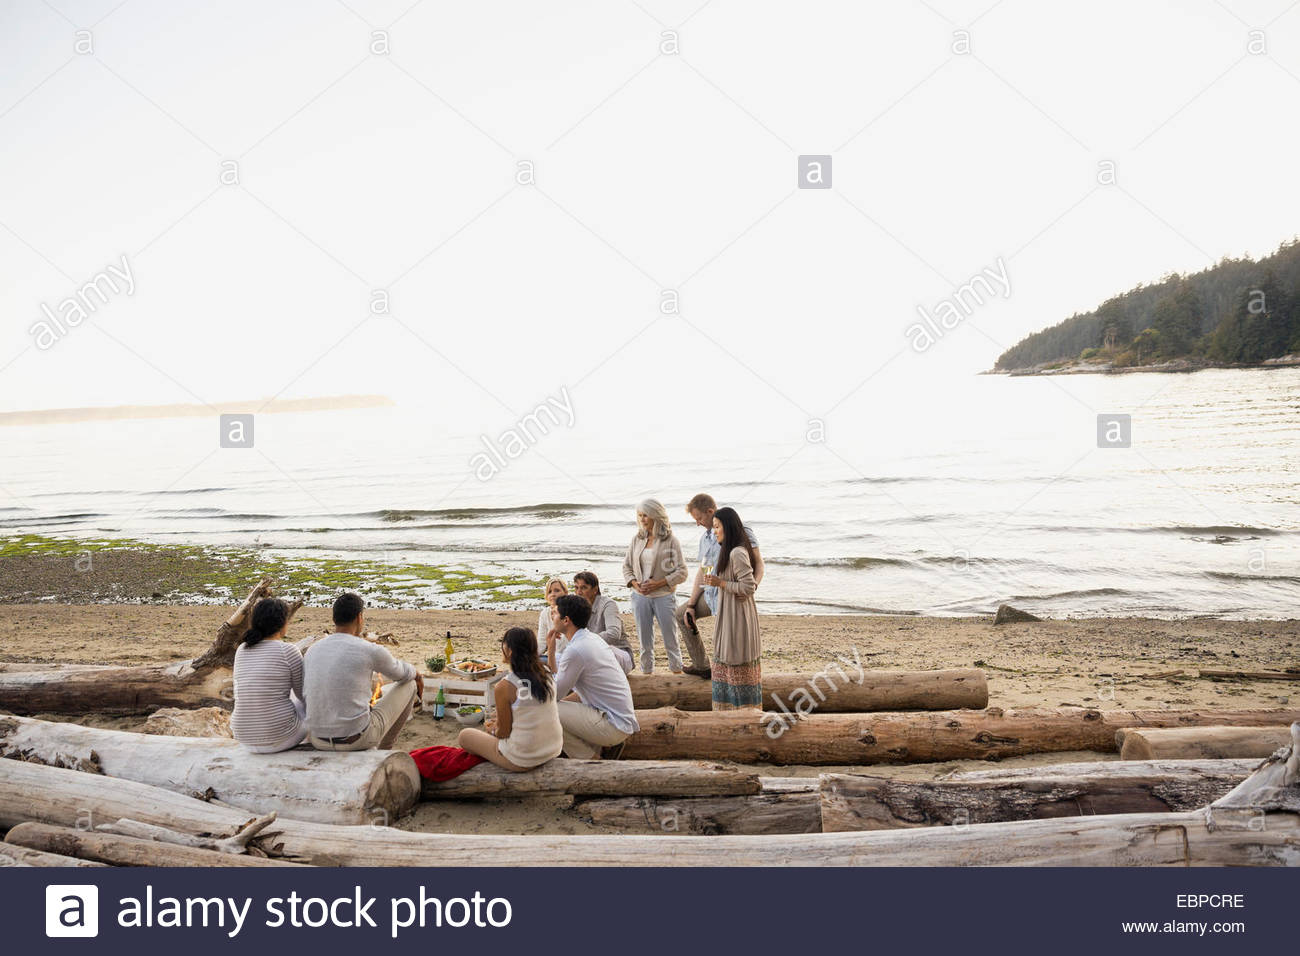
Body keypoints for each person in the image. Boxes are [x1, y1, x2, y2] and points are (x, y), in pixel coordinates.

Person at [304, 592, 424, 751]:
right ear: (359, 617)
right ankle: (384, 751)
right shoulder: (368, 649)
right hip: (355, 740)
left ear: (334, 619)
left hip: (317, 739)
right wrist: (418, 676)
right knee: (410, 685)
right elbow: (402, 673)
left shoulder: (313, 650)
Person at [675, 493, 764, 679]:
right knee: (681, 614)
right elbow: (703, 572)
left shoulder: (741, 530)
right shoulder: (705, 539)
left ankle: (739, 675)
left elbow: (759, 563)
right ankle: (702, 666)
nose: (698, 523)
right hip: (711, 595)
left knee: (730, 642)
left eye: (699, 518)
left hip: (732, 594)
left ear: (710, 511)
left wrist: (751, 587)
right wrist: (691, 605)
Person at [546, 594, 639, 759]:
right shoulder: (590, 638)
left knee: (547, 711)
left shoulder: (577, 649)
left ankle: (593, 760)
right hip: (618, 720)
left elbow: (554, 695)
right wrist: (551, 652)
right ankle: (600, 751)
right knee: (555, 707)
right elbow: (562, 689)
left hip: (613, 725)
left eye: (555, 613)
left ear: (566, 620)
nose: (552, 616)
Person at [457, 627, 563, 771]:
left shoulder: (505, 686)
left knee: (465, 735)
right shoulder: (547, 673)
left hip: (522, 759)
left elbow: (503, 733)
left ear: (510, 651)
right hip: (552, 750)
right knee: (499, 716)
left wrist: (493, 730)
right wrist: (551, 648)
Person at [230, 596, 308, 753]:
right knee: (303, 697)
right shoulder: (288, 650)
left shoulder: (242, 649)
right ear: (282, 624)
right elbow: (304, 695)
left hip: (243, 736)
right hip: (280, 737)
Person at [703, 506, 762, 710]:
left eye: (718, 526)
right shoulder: (728, 552)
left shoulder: (737, 552)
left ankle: (741, 717)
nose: (715, 531)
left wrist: (720, 583)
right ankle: (728, 716)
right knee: (724, 660)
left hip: (738, 615)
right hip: (729, 612)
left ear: (727, 527)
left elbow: (749, 587)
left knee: (734, 658)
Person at [621, 498, 688, 674]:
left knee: (670, 637)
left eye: (646, 515)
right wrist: (635, 584)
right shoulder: (637, 538)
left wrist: (658, 583)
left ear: (655, 516)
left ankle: (676, 670)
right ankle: (646, 672)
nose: (642, 519)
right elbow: (626, 567)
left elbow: (682, 572)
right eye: (640, 515)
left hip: (664, 596)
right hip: (640, 597)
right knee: (644, 639)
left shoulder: (671, 540)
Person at [572, 570, 636, 673]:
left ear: (595, 590)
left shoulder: (608, 604)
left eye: (584, 587)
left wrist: (585, 642)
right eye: (576, 587)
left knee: (593, 654)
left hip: (619, 654)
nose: (579, 592)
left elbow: (613, 634)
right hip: (592, 655)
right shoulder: (576, 607)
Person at [537, 577, 568, 663]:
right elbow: (541, 642)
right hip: (551, 656)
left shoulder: (571, 610)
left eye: (557, 590)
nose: (553, 594)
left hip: (568, 657)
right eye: (549, 592)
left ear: (565, 592)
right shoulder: (544, 613)